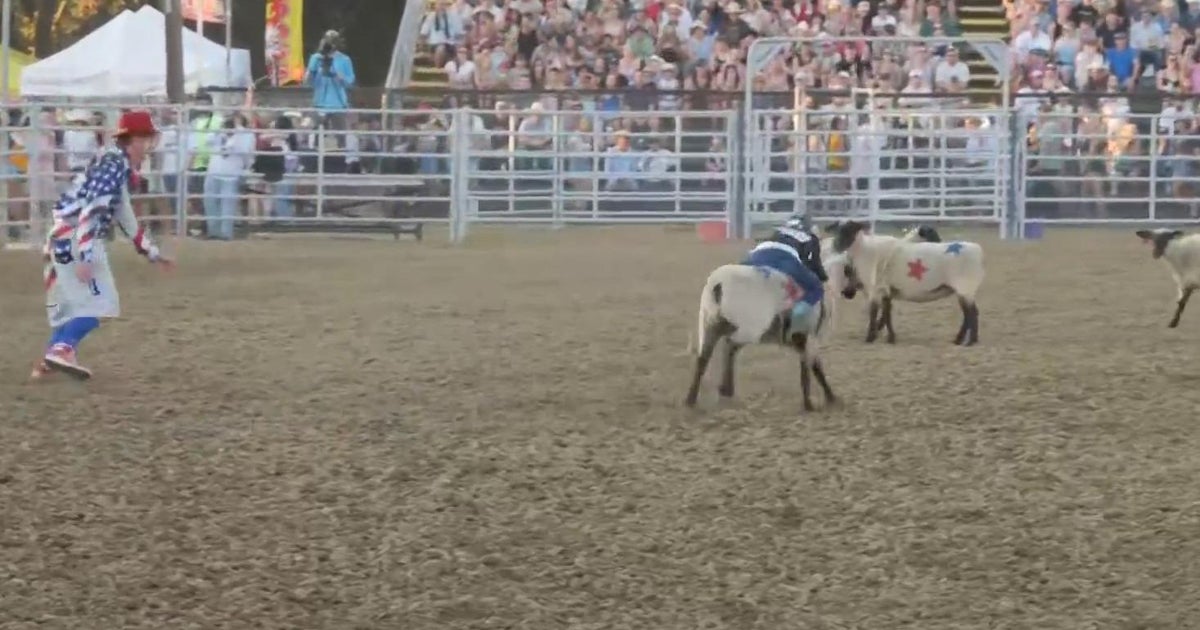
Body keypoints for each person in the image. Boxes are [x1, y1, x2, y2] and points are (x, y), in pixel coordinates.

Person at [33, 110, 175, 381]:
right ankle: (62, 350)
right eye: (146, 140)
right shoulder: (114, 167)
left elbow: (125, 217)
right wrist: (85, 254)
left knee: (71, 306)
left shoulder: (112, 164)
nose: (148, 147)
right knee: (101, 303)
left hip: (62, 236)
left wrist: (152, 253)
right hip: (77, 237)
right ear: (134, 140)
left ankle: (50, 360)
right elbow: (93, 210)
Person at [741, 213, 827, 338]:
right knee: (816, 288)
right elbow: (813, 264)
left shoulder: (777, 231)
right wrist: (823, 278)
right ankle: (796, 319)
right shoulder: (809, 236)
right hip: (786, 259)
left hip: (756, 256)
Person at [304, 30, 356, 130]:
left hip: (338, 105)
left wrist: (336, 75)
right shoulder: (316, 58)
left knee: (340, 138)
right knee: (317, 137)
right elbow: (307, 82)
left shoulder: (344, 60)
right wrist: (312, 69)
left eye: (333, 41)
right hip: (319, 104)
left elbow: (350, 82)